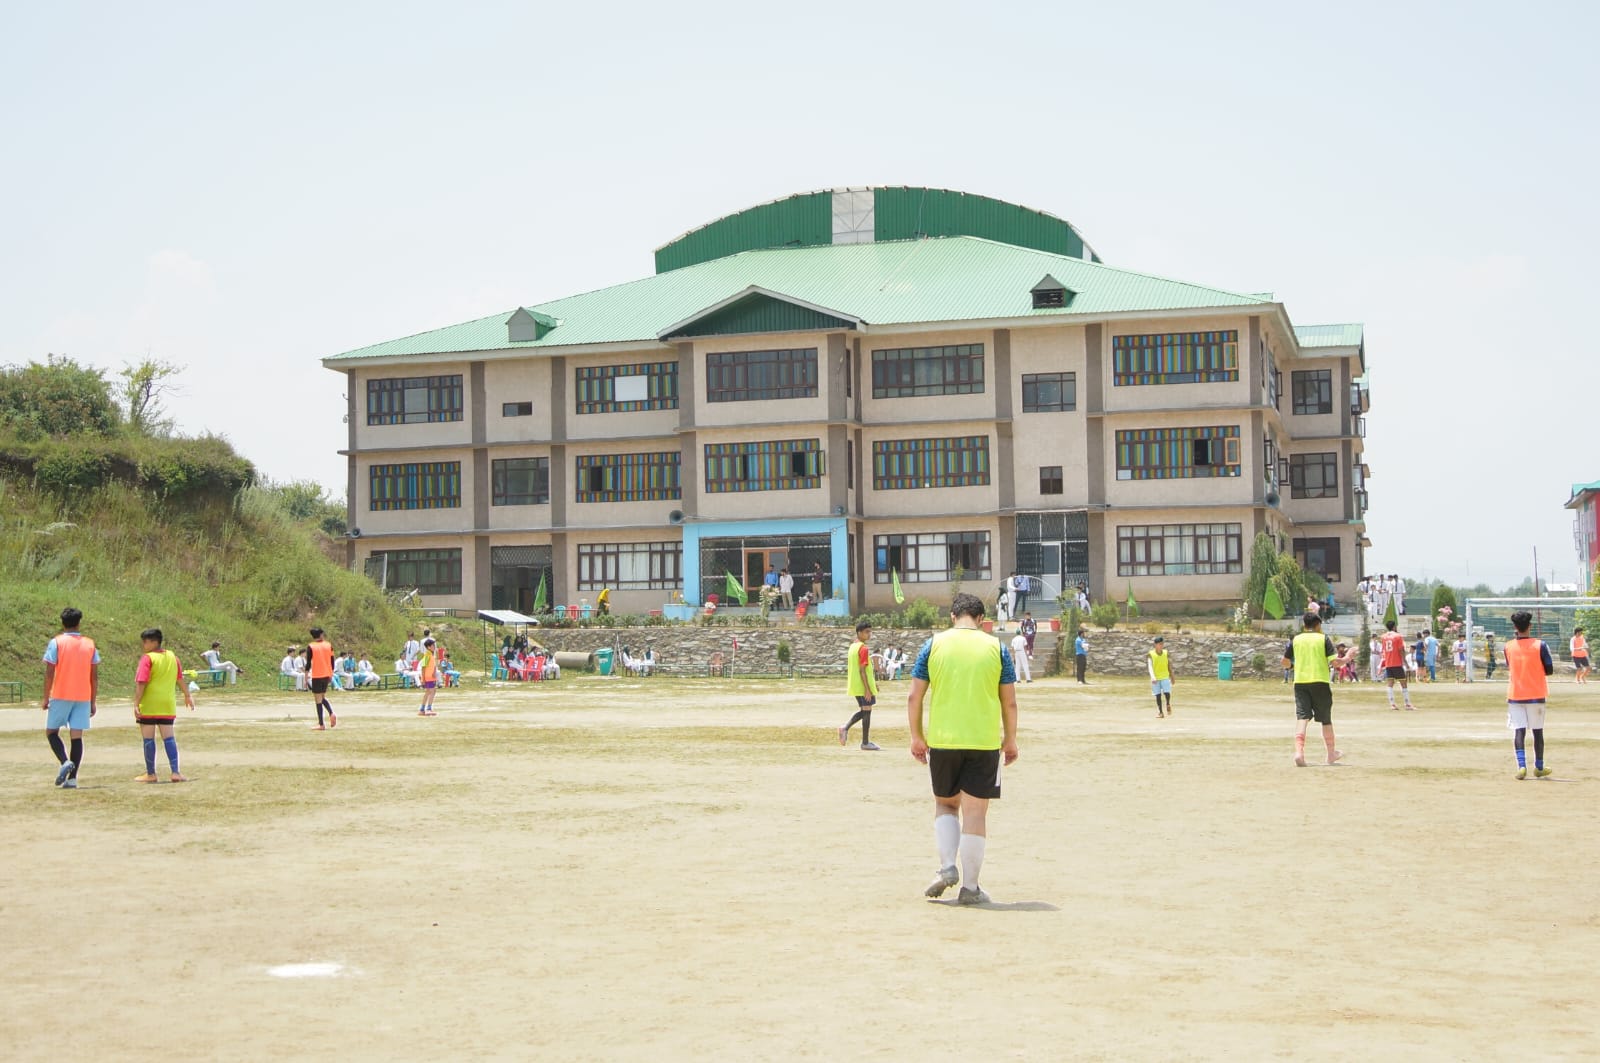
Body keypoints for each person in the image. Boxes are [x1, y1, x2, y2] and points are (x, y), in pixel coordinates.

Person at [908, 592, 1019, 906]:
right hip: (984, 743)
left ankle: (946, 867)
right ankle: (970, 888)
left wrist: (916, 736)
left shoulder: (934, 644)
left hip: (943, 740)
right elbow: (1009, 701)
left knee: (945, 805)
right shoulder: (996, 648)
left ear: (952, 617)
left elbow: (914, 696)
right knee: (975, 814)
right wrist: (1010, 740)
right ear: (981, 620)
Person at [41, 606, 99, 789]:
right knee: (76, 736)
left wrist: (45, 696)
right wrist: (93, 700)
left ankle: (65, 761)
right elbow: (94, 675)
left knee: (51, 732)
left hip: (61, 693)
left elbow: (50, 672)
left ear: (62, 623)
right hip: (82, 695)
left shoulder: (57, 642)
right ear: (79, 623)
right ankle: (72, 779)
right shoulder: (90, 644)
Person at [131, 627, 195, 783]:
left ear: (154, 642)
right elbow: (179, 678)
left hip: (150, 704)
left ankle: (151, 774)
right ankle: (175, 772)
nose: (143, 645)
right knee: (169, 738)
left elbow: (142, 682)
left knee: (148, 739)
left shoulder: (148, 658)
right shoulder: (173, 657)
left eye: (145, 642)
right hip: (167, 705)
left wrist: (136, 703)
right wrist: (187, 695)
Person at [1283, 611, 1341, 767]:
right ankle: (1330, 754)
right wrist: (1348, 657)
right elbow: (1335, 663)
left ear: (1304, 625)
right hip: (1320, 681)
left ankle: (1299, 752)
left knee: (1302, 717)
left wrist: (1295, 666)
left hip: (1300, 682)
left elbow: (1285, 662)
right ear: (1318, 625)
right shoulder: (1323, 639)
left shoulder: (1296, 639)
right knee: (1326, 719)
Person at [1505, 610, 1555, 779]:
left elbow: (1509, 665)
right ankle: (1539, 766)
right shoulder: (1540, 645)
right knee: (1537, 732)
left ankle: (1521, 767)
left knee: (1519, 731)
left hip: (1515, 695)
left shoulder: (1508, 646)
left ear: (1514, 627)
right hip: (1536, 694)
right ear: (1530, 626)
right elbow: (1549, 670)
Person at [837, 619, 880, 750]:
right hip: (862, 686)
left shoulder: (852, 647)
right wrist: (867, 689)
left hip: (856, 685)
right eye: (867, 632)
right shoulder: (863, 648)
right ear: (859, 633)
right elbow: (862, 671)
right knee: (867, 711)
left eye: (870, 631)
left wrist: (873, 685)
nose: (869, 634)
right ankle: (863, 741)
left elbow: (863, 670)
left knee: (865, 711)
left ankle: (859, 737)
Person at [304, 627, 337, 730]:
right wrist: (331, 674)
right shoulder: (328, 645)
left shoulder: (311, 646)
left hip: (317, 674)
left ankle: (322, 723)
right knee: (322, 697)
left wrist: (306, 677)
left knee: (318, 699)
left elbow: (308, 663)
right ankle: (331, 714)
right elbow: (332, 661)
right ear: (321, 635)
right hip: (326, 674)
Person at [1381, 619, 1415, 709]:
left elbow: (1384, 649)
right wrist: (1405, 662)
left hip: (1388, 663)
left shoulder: (1383, 637)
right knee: (1403, 683)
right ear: (1394, 627)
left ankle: (1392, 704)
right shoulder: (1398, 636)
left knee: (1390, 684)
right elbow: (1401, 650)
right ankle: (1407, 704)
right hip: (1397, 663)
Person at [1148, 636, 1174, 717]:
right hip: (1156, 678)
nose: (1161, 645)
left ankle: (1168, 703)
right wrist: (1153, 677)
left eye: (1162, 644)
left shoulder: (1166, 653)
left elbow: (1169, 665)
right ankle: (1160, 712)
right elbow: (1150, 666)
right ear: (1155, 645)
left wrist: (1172, 676)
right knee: (1158, 695)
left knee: (1167, 693)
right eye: (1160, 644)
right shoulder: (1150, 654)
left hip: (1165, 676)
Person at [417, 637, 441, 715]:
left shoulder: (431, 655)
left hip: (431, 676)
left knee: (430, 691)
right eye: (433, 645)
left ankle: (423, 709)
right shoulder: (427, 655)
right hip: (428, 677)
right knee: (430, 691)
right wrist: (423, 679)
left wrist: (434, 673)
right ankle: (427, 709)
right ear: (428, 647)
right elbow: (423, 667)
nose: (434, 646)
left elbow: (433, 666)